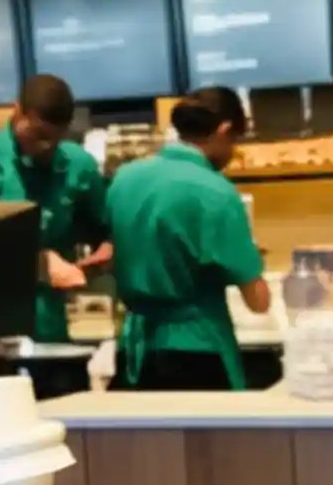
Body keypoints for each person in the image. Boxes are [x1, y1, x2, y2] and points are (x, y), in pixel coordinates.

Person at [106, 87, 270, 390]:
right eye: (234, 140)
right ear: (224, 130)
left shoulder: (124, 179)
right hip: (197, 350)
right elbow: (258, 301)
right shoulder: (216, 191)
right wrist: (251, 259)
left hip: (134, 348)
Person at [0, 74, 108, 343]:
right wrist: (41, 259)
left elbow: (103, 227)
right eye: (38, 135)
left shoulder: (79, 165)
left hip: (51, 324)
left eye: (55, 139)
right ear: (17, 111)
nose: (45, 146)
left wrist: (106, 250)